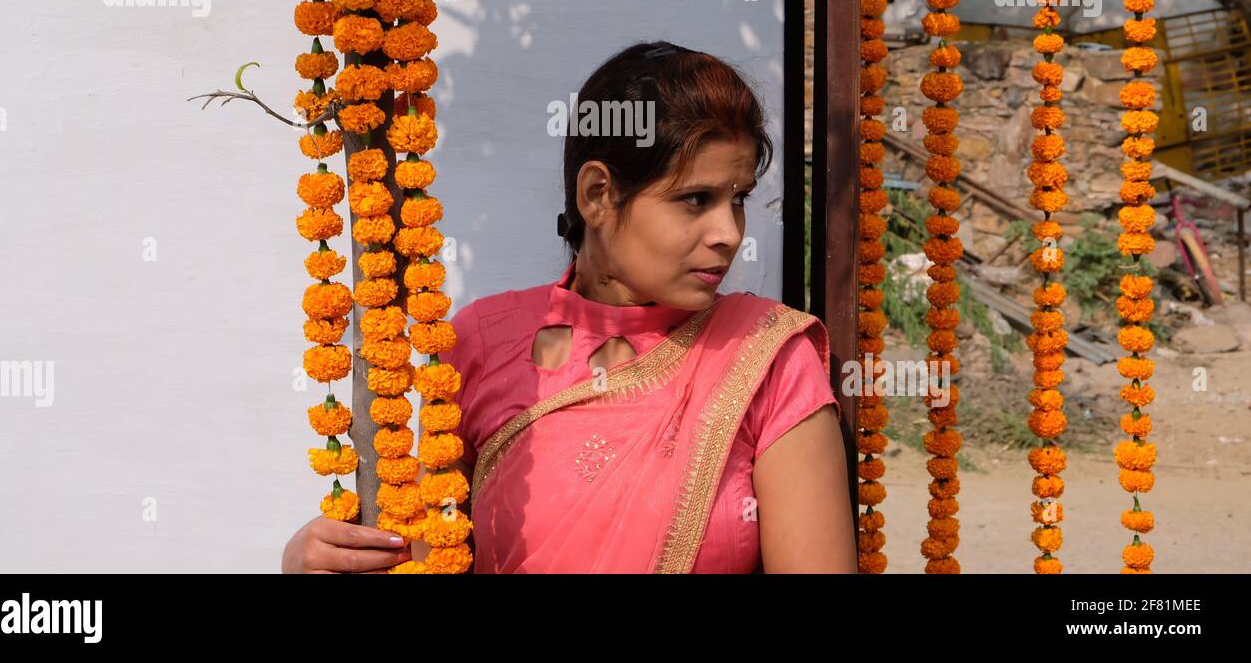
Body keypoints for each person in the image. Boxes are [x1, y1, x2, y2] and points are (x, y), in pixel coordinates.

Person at [283, 41, 855, 573]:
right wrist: (315, 562)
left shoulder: (768, 359)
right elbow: (432, 554)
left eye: (738, 199)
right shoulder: (481, 342)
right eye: (695, 199)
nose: (729, 233)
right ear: (597, 195)